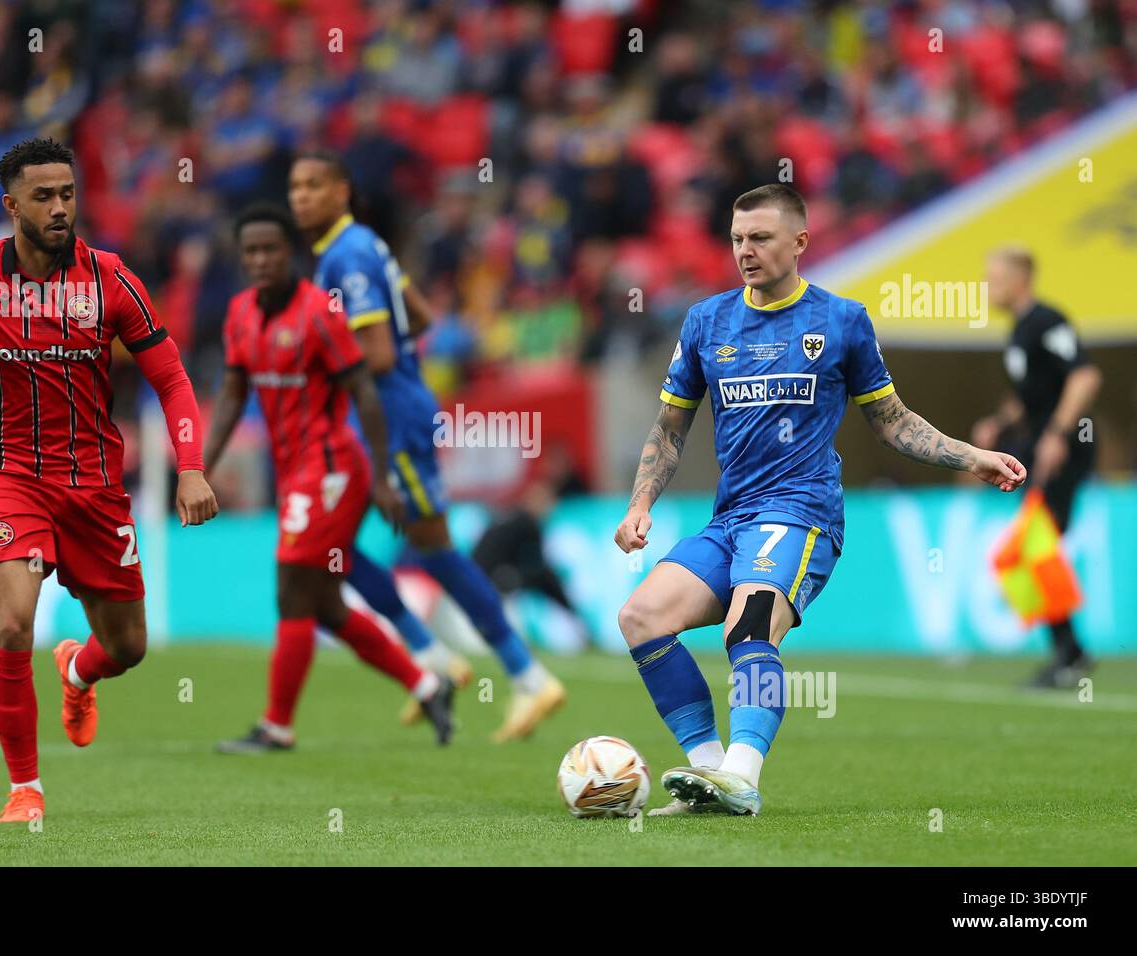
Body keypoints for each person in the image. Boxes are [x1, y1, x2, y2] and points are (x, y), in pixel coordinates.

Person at [614, 184, 1026, 816]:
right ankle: (709, 778)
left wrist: (971, 455)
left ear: (800, 242)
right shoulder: (705, 321)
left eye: (760, 238)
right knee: (642, 616)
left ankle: (743, 778)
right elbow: (670, 429)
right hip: (731, 520)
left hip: (801, 512)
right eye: (736, 240)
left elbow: (891, 420)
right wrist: (640, 504)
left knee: (747, 628)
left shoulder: (841, 320)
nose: (744, 251)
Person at [0, 137, 219, 824]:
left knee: (128, 647)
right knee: (11, 624)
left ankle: (78, 672)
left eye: (68, 194)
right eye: (44, 197)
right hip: (10, 478)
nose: (60, 208)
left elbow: (170, 377)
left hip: (95, 487)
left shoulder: (112, 279)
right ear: (12, 205)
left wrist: (192, 466)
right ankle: (26, 789)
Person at [288, 149, 566, 742]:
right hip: (377, 417)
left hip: (390, 420)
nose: (301, 196)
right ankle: (432, 658)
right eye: (295, 187)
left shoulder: (350, 254)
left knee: (431, 547)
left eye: (315, 184)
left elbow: (383, 352)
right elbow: (418, 315)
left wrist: (320, 368)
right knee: (323, 549)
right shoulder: (362, 249)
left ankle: (524, 675)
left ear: (344, 191)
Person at [205, 203, 454, 751]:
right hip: (294, 472)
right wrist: (200, 466)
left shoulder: (319, 313)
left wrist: (384, 478)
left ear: (289, 253)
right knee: (325, 605)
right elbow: (230, 393)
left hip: (335, 470)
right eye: (251, 251)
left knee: (292, 588)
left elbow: (365, 391)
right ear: (241, 259)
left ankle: (276, 727)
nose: (261, 259)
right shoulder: (240, 313)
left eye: (271, 249)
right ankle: (428, 683)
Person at [975, 245, 1103, 688]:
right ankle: (1070, 652)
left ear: (1020, 279)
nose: (989, 287)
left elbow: (1084, 376)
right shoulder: (1020, 331)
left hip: (1063, 449)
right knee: (1034, 550)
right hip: (1041, 446)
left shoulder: (1048, 320)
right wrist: (1000, 422)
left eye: (995, 278)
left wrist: (1058, 434)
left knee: (1034, 549)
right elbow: (1034, 394)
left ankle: (1070, 655)